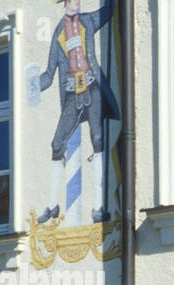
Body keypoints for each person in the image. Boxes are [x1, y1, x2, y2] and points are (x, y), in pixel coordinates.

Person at [35, 0, 119, 224]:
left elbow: (109, 11)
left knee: (98, 139)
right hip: (72, 95)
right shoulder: (58, 33)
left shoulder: (88, 20)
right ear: (64, 4)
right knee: (56, 144)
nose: (77, 3)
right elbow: (49, 74)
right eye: (72, 0)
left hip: (93, 89)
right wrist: (31, 85)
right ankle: (52, 205)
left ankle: (98, 207)